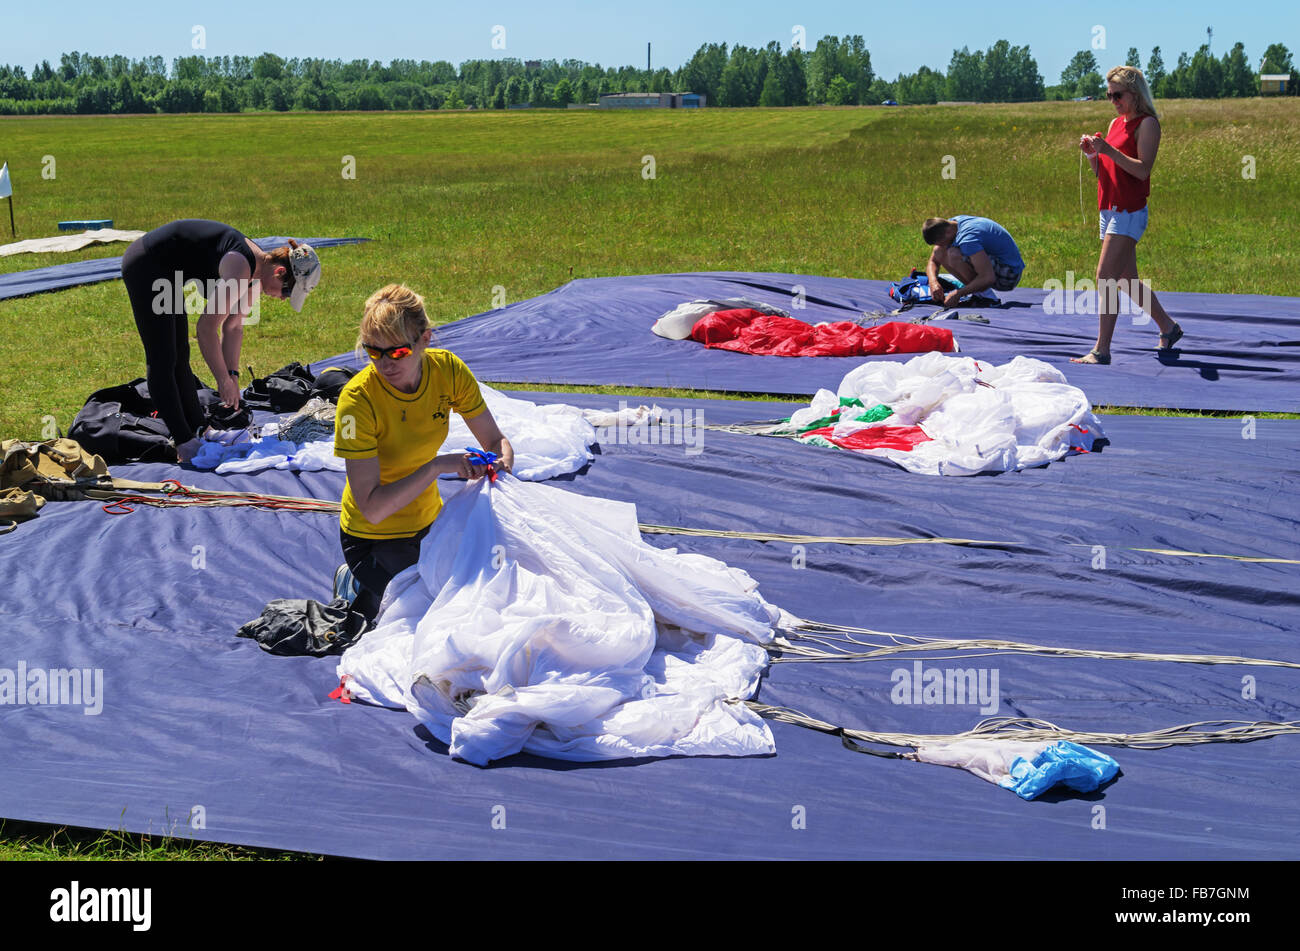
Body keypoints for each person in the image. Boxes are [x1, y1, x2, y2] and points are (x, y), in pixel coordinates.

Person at [333, 284, 514, 622]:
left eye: (397, 352)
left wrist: (500, 465)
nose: (385, 364)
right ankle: (356, 582)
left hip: (430, 525)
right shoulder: (357, 401)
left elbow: (494, 440)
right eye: (374, 352)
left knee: (490, 594)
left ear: (425, 339)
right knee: (435, 616)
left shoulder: (448, 371)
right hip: (372, 539)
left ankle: (375, 592)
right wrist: (436, 467)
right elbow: (371, 508)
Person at [120, 219, 321, 461]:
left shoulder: (257, 274)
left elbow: (234, 326)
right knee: (163, 357)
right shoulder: (242, 267)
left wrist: (233, 376)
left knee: (180, 356)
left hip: (168, 270)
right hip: (147, 263)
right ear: (280, 272)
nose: (282, 299)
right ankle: (183, 442)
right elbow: (206, 328)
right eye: (287, 292)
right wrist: (221, 379)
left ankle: (200, 430)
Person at [1071, 65, 1182, 365]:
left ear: (1135, 94)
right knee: (1126, 280)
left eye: (1118, 95)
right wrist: (1094, 155)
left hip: (1129, 211)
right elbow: (1104, 173)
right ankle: (1169, 328)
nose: (1113, 101)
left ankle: (1102, 350)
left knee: (1105, 277)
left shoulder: (1148, 124)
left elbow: (1143, 169)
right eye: (1109, 96)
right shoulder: (1114, 123)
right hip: (1109, 208)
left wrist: (1109, 150)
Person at [922, 215, 1025, 307]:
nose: (942, 245)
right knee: (939, 251)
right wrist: (933, 282)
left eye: (941, 242)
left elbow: (988, 278)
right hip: (998, 265)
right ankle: (981, 294)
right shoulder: (952, 224)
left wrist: (958, 293)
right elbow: (933, 261)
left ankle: (988, 298)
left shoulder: (968, 239)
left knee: (953, 254)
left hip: (1009, 276)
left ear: (947, 232)